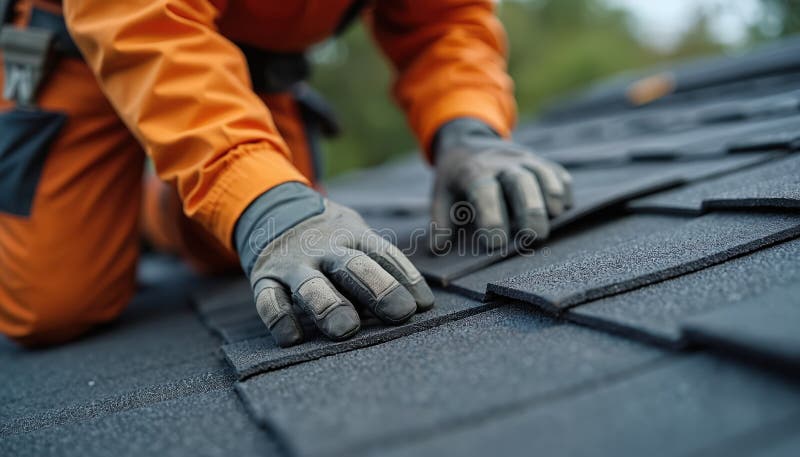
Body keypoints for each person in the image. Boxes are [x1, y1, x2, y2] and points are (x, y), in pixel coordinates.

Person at [0, 0, 572, 347]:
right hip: (77, 43)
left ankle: (155, 212)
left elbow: (444, 20)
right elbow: (144, 24)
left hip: (241, 65)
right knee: (51, 310)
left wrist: (466, 127)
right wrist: (265, 205)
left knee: (238, 250)